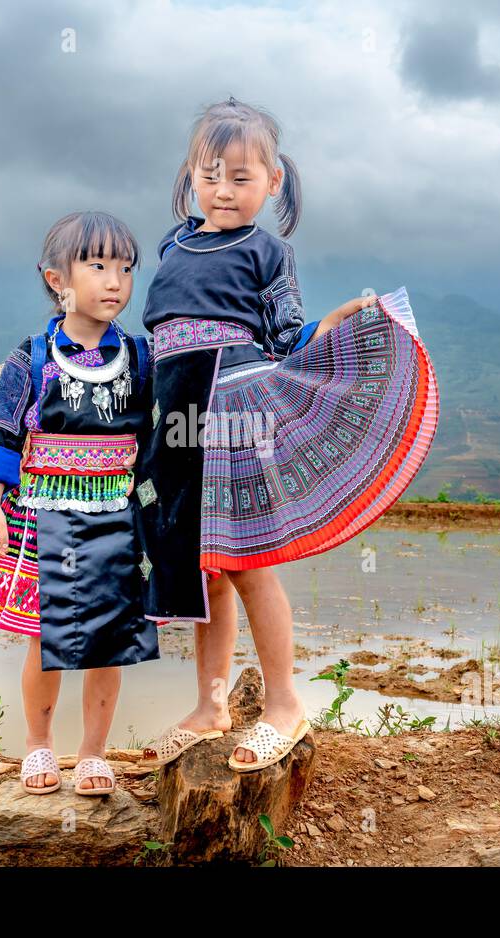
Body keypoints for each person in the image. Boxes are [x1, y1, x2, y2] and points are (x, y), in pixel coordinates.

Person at [136, 97, 439, 772]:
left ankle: (284, 706)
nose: (223, 188)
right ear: (190, 174)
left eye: (242, 177)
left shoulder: (269, 251)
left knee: (245, 564)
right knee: (201, 569)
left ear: (273, 183)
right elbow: (160, 337)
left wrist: (333, 327)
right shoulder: (170, 244)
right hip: (176, 414)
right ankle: (211, 704)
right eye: (210, 173)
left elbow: (283, 338)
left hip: (237, 407)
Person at [0, 211, 158, 796]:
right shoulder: (32, 359)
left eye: (125, 268)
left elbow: (156, 442)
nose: (114, 281)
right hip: (43, 514)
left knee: (110, 642)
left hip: (118, 518)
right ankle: (38, 747)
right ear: (55, 278)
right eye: (97, 266)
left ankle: (93, 753)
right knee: (45, 639)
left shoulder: (142, 359)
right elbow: (2, 433)